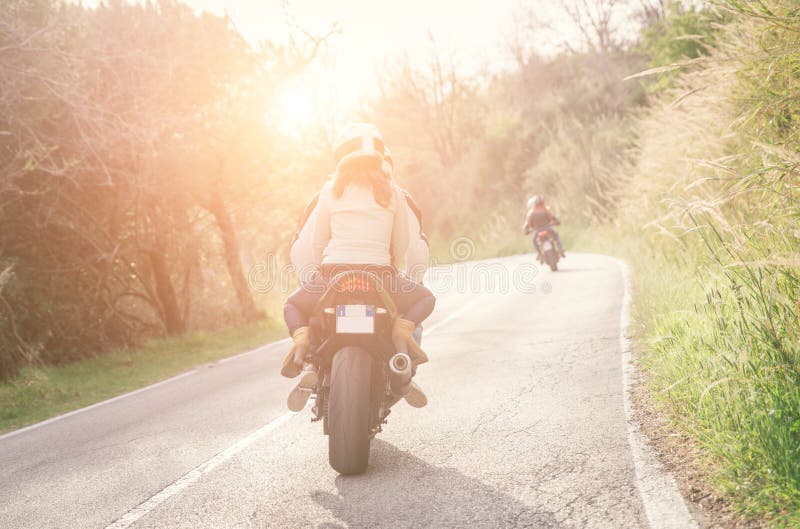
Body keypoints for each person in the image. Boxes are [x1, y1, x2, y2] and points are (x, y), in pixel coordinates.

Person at [281, 123, 435, 411]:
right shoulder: (394, 193)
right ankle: (402, 342)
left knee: (293, 305)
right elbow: (403, 243)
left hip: (334, 275)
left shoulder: (329, 191)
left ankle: (306, 352)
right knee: (425, 297)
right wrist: (391, 267)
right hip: (379, 275)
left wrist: (318, 275)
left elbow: (316, 242)